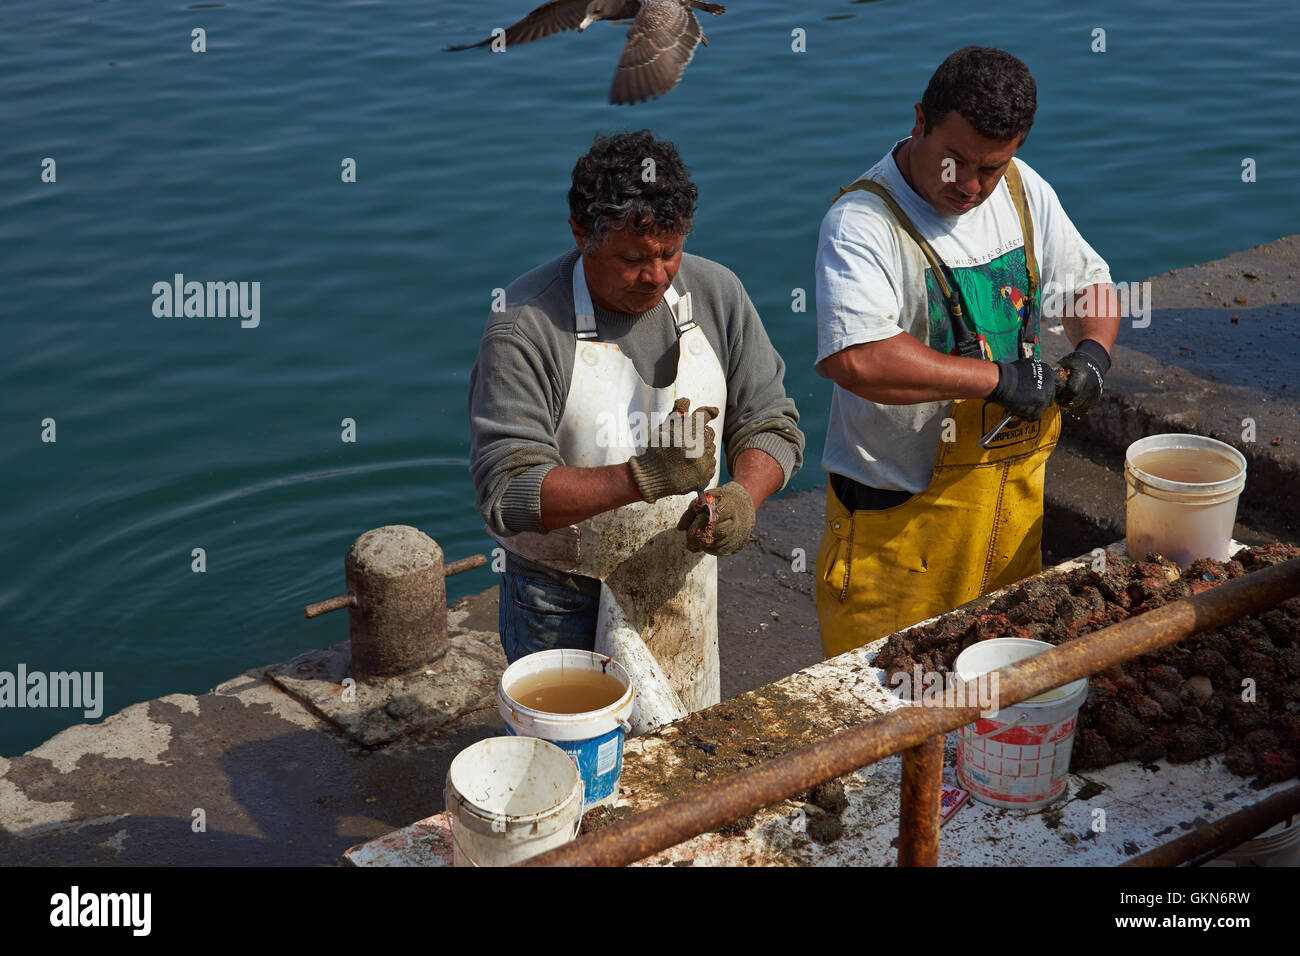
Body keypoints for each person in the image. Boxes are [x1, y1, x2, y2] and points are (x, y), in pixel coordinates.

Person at [469, 129, 804, 722]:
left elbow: (771, 422)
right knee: (578, 769)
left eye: (669, 252)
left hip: (681, 582)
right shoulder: (525, 328)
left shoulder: (717, 294)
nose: (657, 276)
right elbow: (508, 493)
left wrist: (744, 495)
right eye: (633, 258)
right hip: (560, 599)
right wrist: (645, 477)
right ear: (581, 233)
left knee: (683, 753)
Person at [813, 46, 1121, 659]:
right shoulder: (862, 224)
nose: (973, 187)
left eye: (994, 167)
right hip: (897, 534)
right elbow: (858, 359)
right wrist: (998, 379)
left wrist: (1092, 356)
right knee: (883, 723)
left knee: (996, 706)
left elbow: (1091, 284)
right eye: (956, 163)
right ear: (920, 119)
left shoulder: (1022, 189)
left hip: (1010, 510)